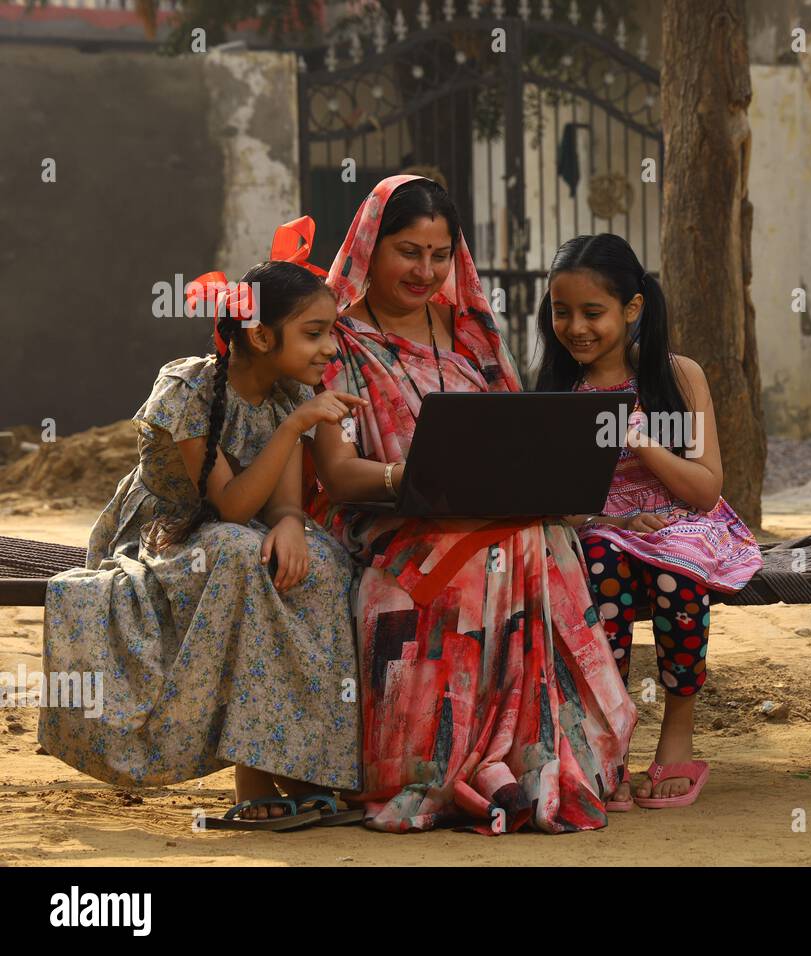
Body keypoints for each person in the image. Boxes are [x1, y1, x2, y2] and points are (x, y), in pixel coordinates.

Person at [305, 175, 636, 834]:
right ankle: (442, 769)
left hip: (492, 511)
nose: (426, 271)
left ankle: (522, 756)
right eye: (409, 251)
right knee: (450, 578)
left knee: (538, 538)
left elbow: (516, 437)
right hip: (389, 521)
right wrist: (413, 475)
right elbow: (339, 474)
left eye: (439, 254)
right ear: (371, 247)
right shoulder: (335, 342)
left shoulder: (468, 334)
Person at [39, 224, 368, 828]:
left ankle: (303, 763)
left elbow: (281, 506)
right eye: (315, 333)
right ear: (263, 335)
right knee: (243, 555)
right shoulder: (190, 388)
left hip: (232, 534)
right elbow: (229, 508)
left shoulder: (288, 393)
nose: (330, 349)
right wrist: (297, 429)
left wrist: (293, 524)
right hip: (169, 536)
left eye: (331, 333)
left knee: (324, 565)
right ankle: (251, 773)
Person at [534, 233, 763, 809]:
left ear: (632, 309)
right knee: (601, 564)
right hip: (598, 529)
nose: (577, 327)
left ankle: (677, 740)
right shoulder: (559, 388)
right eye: (563, 312)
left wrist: (645, 443)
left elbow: (707, 491)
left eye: (594, 312)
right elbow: (552, 497)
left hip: (683, 526)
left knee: (676, 571)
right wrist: (602, 515)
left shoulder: (677, 377)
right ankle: (606, 742)